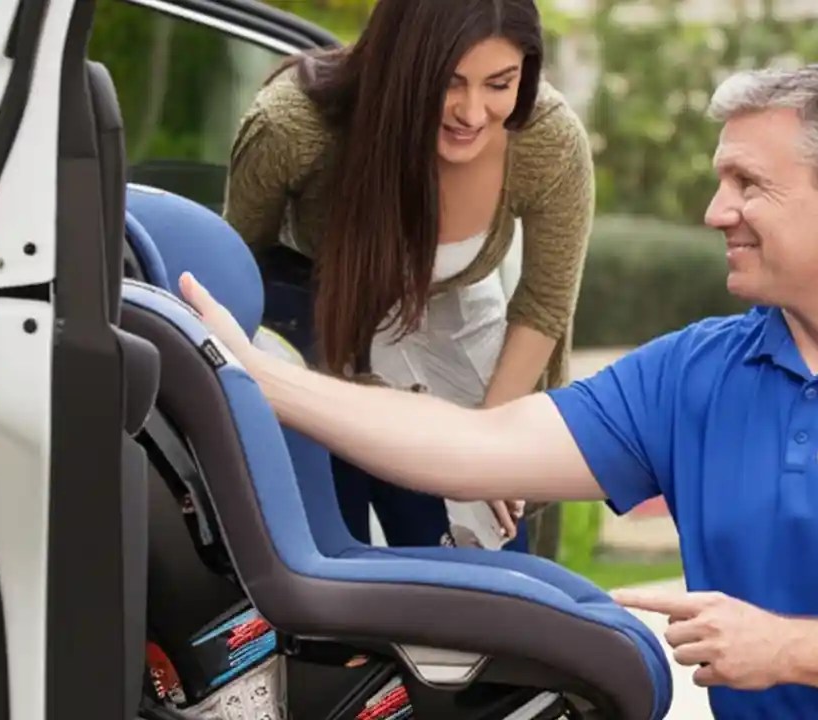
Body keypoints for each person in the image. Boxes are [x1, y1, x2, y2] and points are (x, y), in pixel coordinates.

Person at [185, 63, 818, 719]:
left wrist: (786, 647)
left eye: (747, 183)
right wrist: (259, 379)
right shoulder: (701, 370)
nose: (715, 212)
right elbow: (474, 447)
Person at [220, 0, 595, 550]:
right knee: (326, 564)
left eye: (500, 83)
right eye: (449, 82)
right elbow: (233, 268)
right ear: (398, 65)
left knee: (484, 564)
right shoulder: (292, 127)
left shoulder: (547, 139)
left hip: (458, 338)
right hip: (321, 340)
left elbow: (544, 304)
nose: (472, 113)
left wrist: (490, 441)